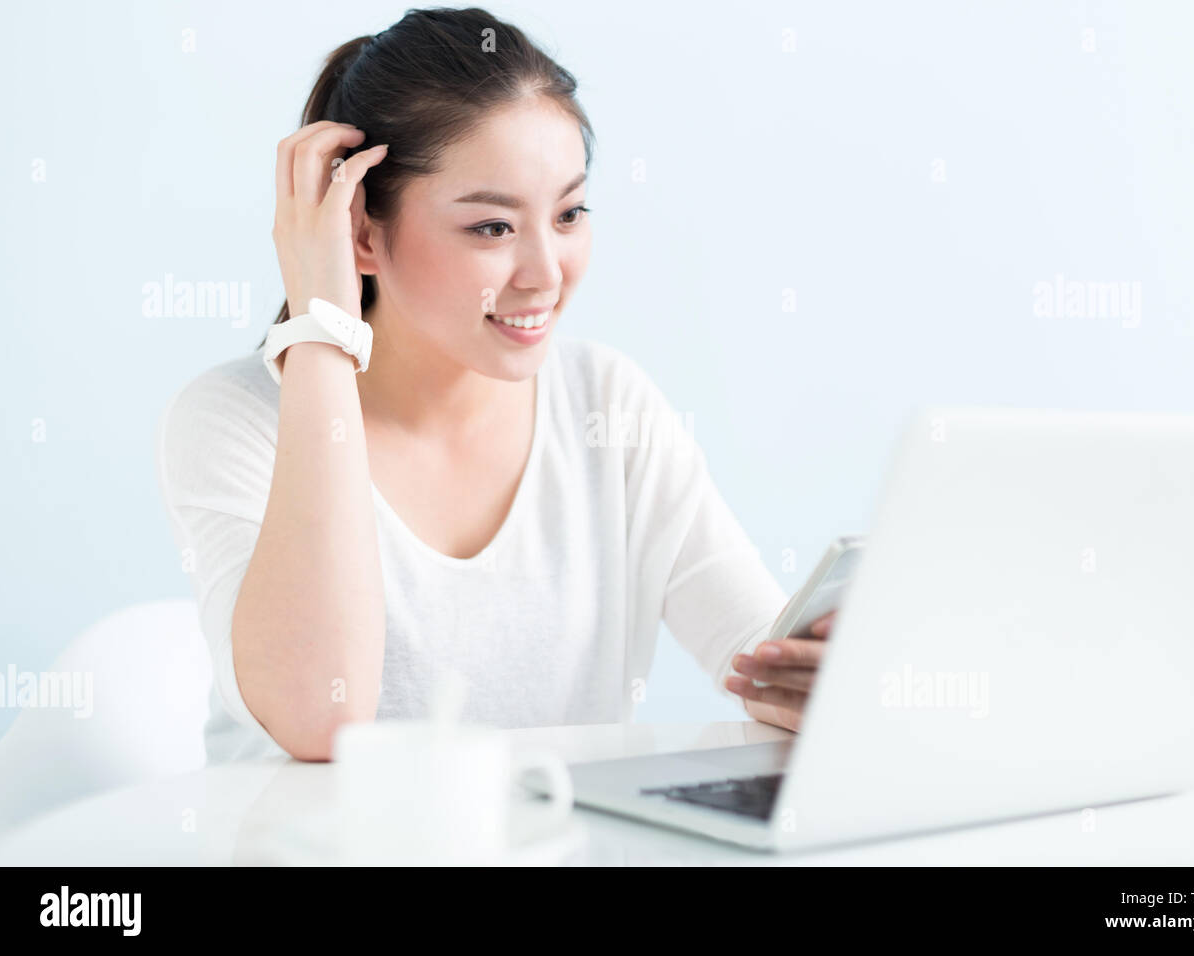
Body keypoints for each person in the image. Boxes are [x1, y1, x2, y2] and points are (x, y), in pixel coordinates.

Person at [156, 7, 829, 764]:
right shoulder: (234, 421)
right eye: (493, 228)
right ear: (362, 234)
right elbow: (321, 719)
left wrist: (838, 678)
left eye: (569, 213)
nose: (547, 274)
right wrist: (319, 325)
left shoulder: (607, 403)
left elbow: (765, 664)